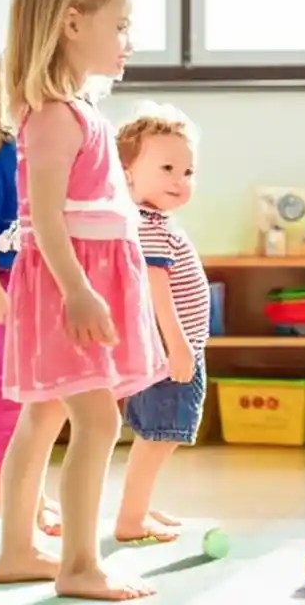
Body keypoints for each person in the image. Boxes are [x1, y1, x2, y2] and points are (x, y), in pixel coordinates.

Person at [0, 0, 168, 601]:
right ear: (72, 23)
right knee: (98, 423)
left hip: (76, 284)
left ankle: (18, 550)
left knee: (43, 416)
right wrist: (79, 290)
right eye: (119, 26)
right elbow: (43, 216)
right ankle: (80, 565)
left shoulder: (75, 111)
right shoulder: (55, 116)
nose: (128, 40)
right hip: (68, 288)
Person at [0, 53, 61, 534]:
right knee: (11, 388)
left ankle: (32, 492)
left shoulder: (46, 149)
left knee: (42, 393)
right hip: (9, 285)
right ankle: (1, 494)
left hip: (43, 286)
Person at [113, 103, 209, 543]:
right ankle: (131, 518)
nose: (179, 180)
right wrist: (178, 346)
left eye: (188, 171)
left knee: (160, 435)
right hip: (168, 352)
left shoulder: (153, 221)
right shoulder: (149, 226)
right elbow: (156, 291)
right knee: (159, 436)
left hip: (168, 349)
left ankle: (139, 505)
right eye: (167, 168)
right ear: (127, 172)